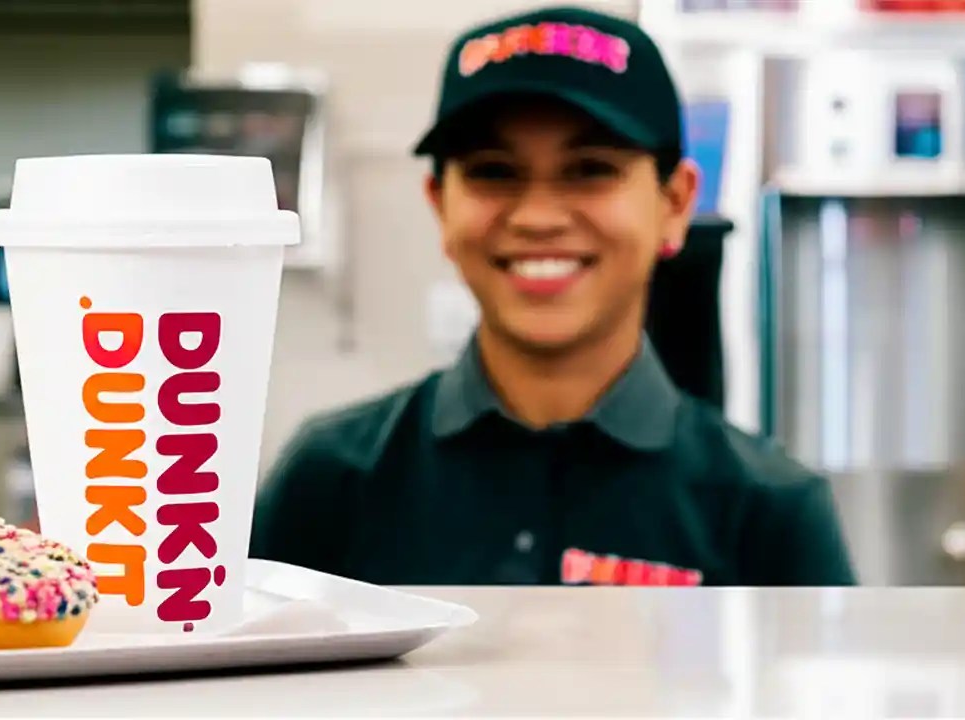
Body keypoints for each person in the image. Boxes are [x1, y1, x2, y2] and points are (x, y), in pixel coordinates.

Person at [249, 5, 857, 586]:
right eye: (493, 171)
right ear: (440, 205)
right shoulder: (330, 482)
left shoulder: (769, 512)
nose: (538, 217)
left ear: (674, 204)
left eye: (590, 168)